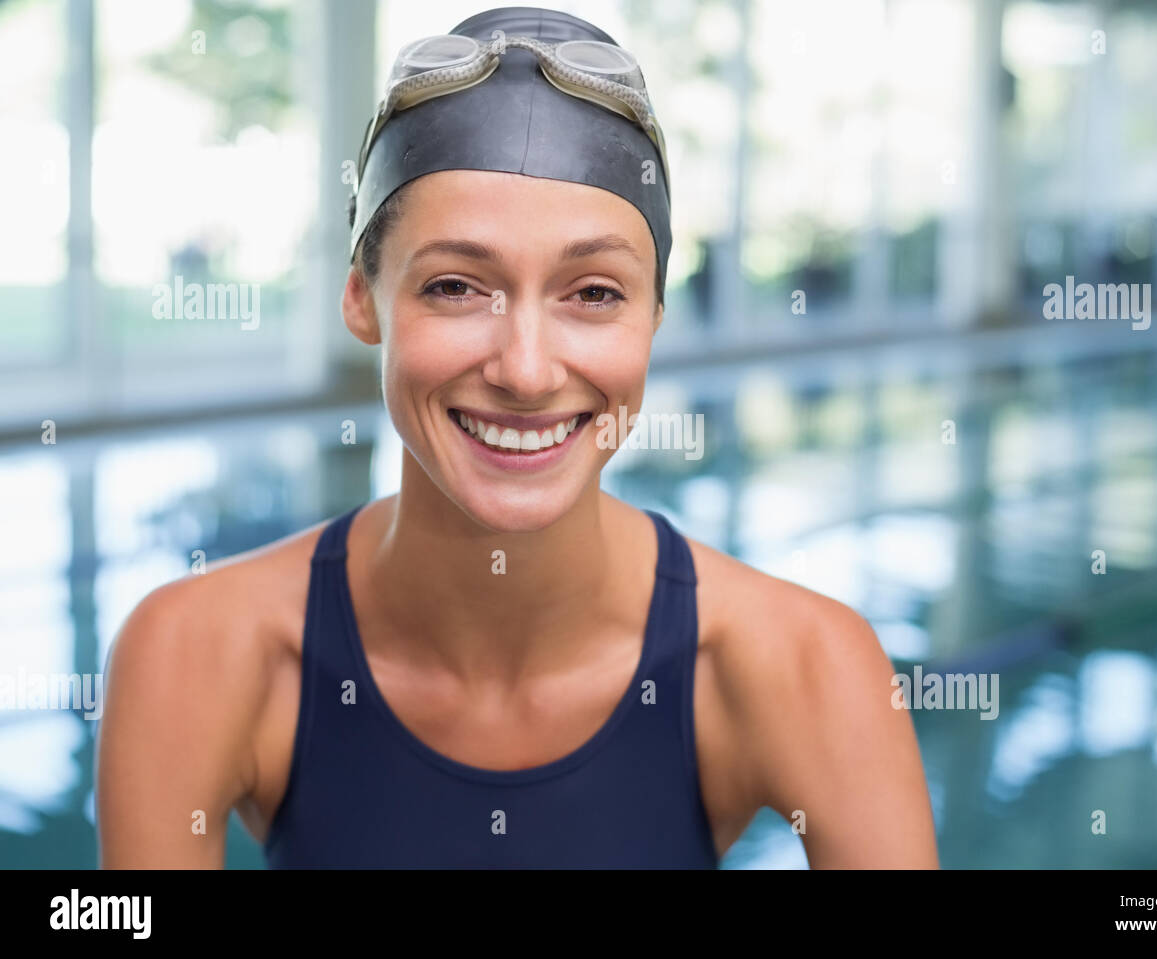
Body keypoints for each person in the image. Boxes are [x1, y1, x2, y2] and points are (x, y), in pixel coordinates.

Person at [96, 6, 938, 869]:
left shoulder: (807, 665)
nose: (527, 370)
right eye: (458, 286)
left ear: (654, 315)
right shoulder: (194, 653)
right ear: (361, 297)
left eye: (594, 292)